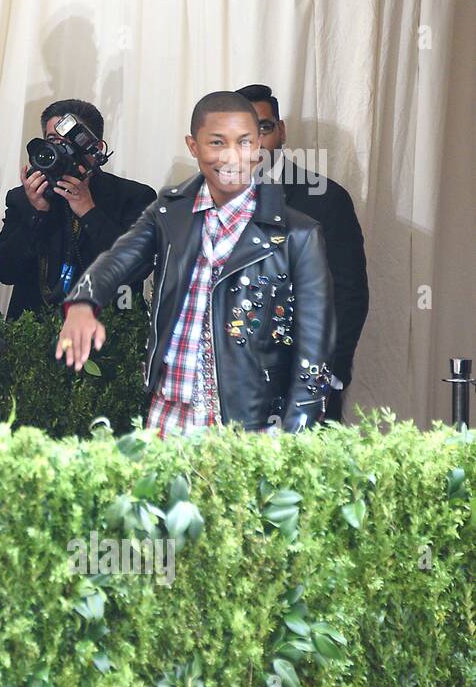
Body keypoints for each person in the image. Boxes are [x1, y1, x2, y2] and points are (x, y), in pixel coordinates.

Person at [57, 91, 336, 436]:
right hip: (168, 413)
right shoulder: (168, 214)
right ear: (194, 146)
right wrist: (84, 303)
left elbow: (315, 352)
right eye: (217, 142)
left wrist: (292, 438)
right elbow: (118, 260)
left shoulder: (299, 235)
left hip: (249, 428)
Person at [236, 83, 369, 422]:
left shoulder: (326, 199)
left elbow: (349, 295)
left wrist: (329, 378)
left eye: (262, 128)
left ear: (280, 131)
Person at [0, 99, 156, 318]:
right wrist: (36, 213)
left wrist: (89, 211)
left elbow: (138, 268)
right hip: (31, 337)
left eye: (70, 142)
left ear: (95, 148)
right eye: (53, 141)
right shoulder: (22, 198)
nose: (61, 150)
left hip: (107, 336)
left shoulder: (132, 196)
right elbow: (5, 271)